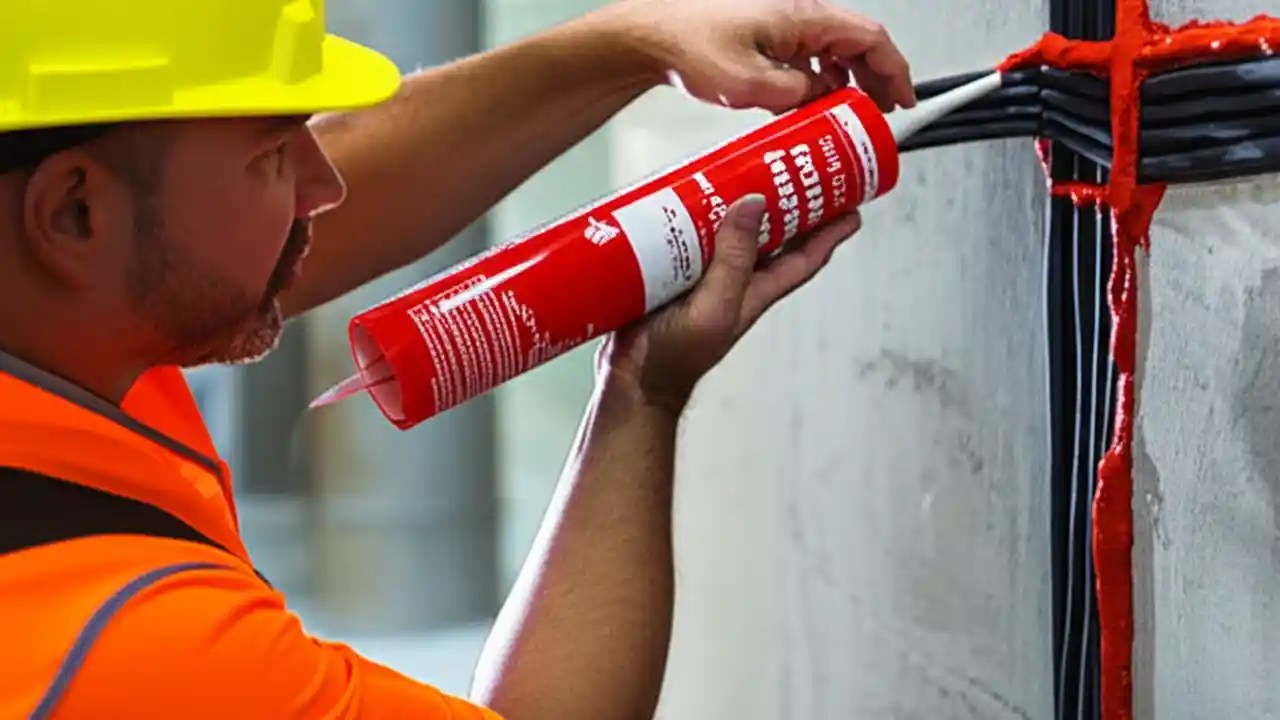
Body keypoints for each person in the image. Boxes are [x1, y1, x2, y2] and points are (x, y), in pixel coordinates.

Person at [0, 0, 915, 717]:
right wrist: (643, 390)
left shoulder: (61, 314)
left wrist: (634, 42)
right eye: (275, 154)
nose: (325, 184)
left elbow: (290, 210)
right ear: (74, 212)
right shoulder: (119, 648)